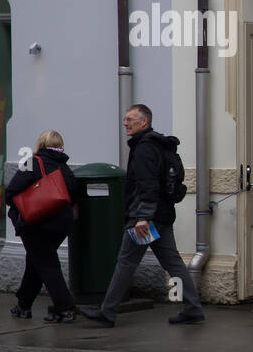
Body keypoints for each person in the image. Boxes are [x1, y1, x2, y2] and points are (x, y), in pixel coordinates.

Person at [80, 104, 204, 327]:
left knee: (126, 261)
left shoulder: (145, 148)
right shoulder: (156, 144)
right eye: (125, 119)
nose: (125, 123)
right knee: (172, 262)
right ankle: (193, 308)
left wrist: (142, 217)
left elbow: (147, 185)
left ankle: (107, 312)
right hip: (161, 215)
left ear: (143, 122)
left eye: (130, 119)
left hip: (147, 219)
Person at [5, 130, 81, 323]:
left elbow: (11, 191)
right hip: (61, 225)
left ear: (40, 144)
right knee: (36, 262)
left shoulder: (32, 162)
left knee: (47, 265)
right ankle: (23, 305)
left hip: (36, 224)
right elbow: (73, 195)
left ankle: (65, 308)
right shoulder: (64, 167)